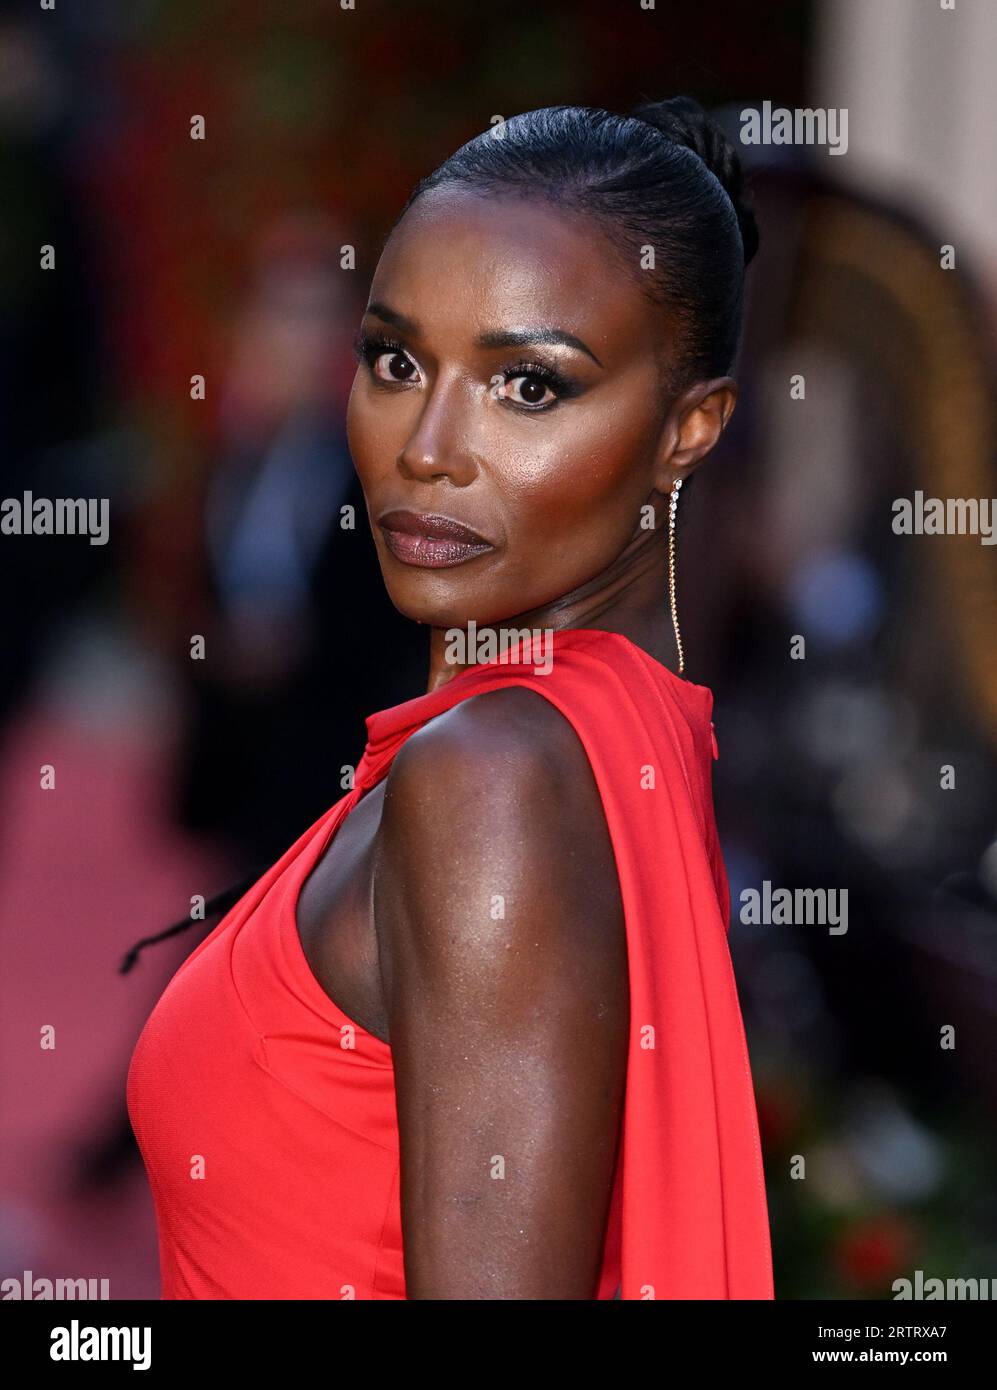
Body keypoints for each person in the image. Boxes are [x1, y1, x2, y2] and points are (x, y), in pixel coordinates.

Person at [125, 94, 774, 1300]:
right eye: (395, 359)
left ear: (691, 429)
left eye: (528, 386)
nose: (427, 446)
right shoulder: (598, 731)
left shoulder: (495, 779)